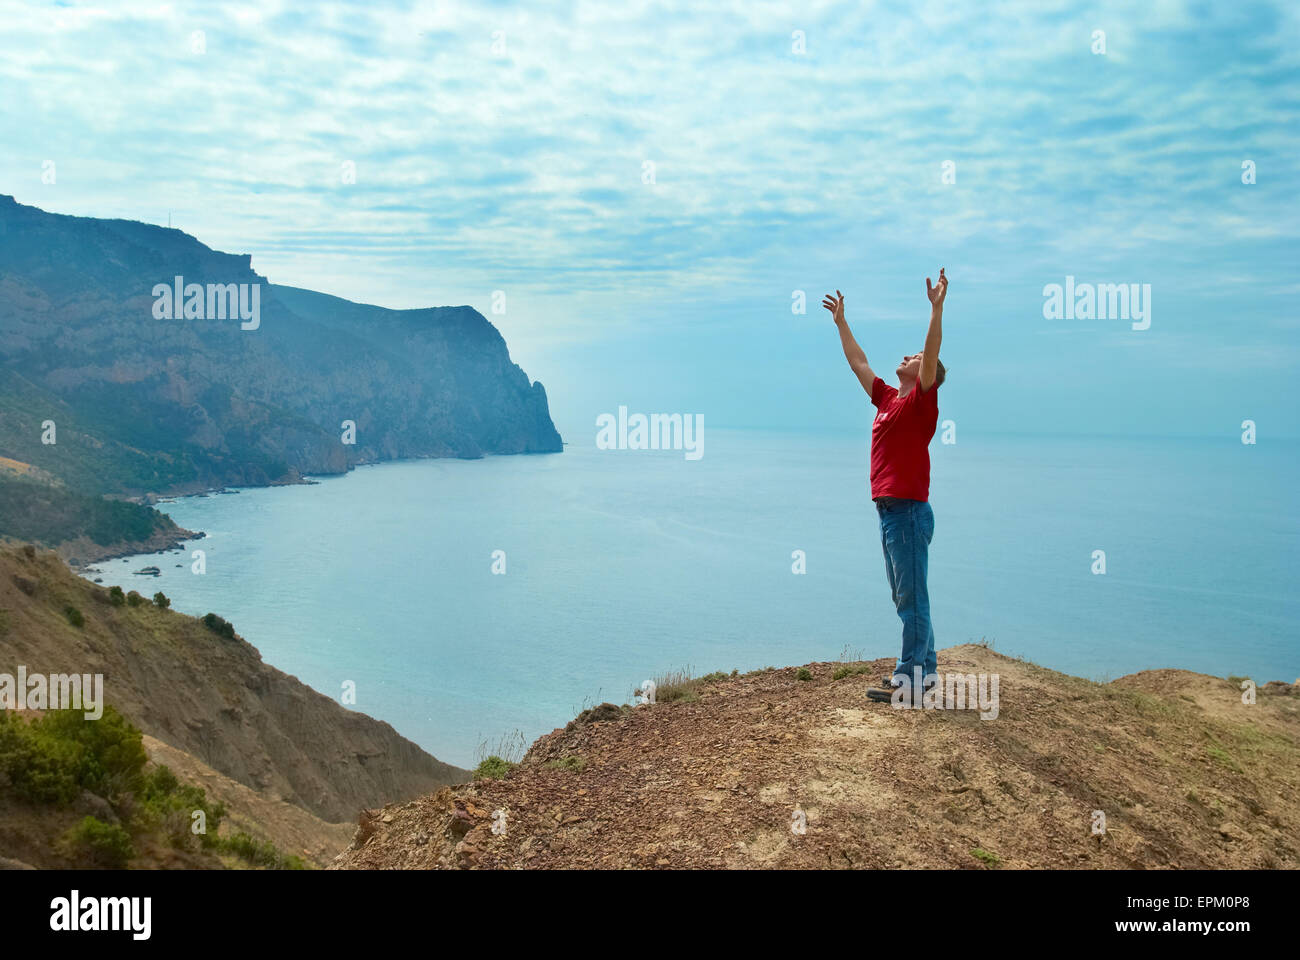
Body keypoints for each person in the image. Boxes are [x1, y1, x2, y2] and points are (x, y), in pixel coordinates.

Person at [822, 269, 947, 705]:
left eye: (914, 358)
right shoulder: (888, 399)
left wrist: (936, 308)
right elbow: (859, 362)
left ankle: (910, 680)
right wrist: (842, 323)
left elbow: (932, 353)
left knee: (911, 596)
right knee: (906, 594)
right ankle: (925, 672)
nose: (909, 357)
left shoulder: (919, 402)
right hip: (891, 511)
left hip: (908, 510)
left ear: (926, 373)